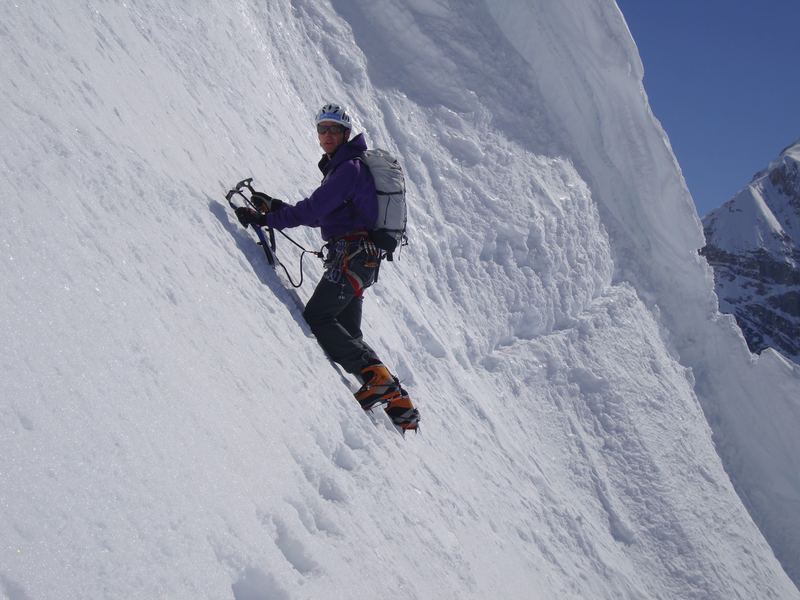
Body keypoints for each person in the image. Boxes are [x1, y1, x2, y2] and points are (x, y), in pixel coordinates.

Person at [235, 103, 420, 432]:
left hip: (350, 257)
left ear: (346, 133)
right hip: (360, 260)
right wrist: (277, 209)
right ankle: (398, 403)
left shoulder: (348, 168)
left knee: (319, 317)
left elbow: (313, 210)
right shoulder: (347, 168)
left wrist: (267, 218)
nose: (327, 135)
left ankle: (379, 384)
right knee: (348, 333)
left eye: (334, 129)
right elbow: (327, 214)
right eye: (323, 129)